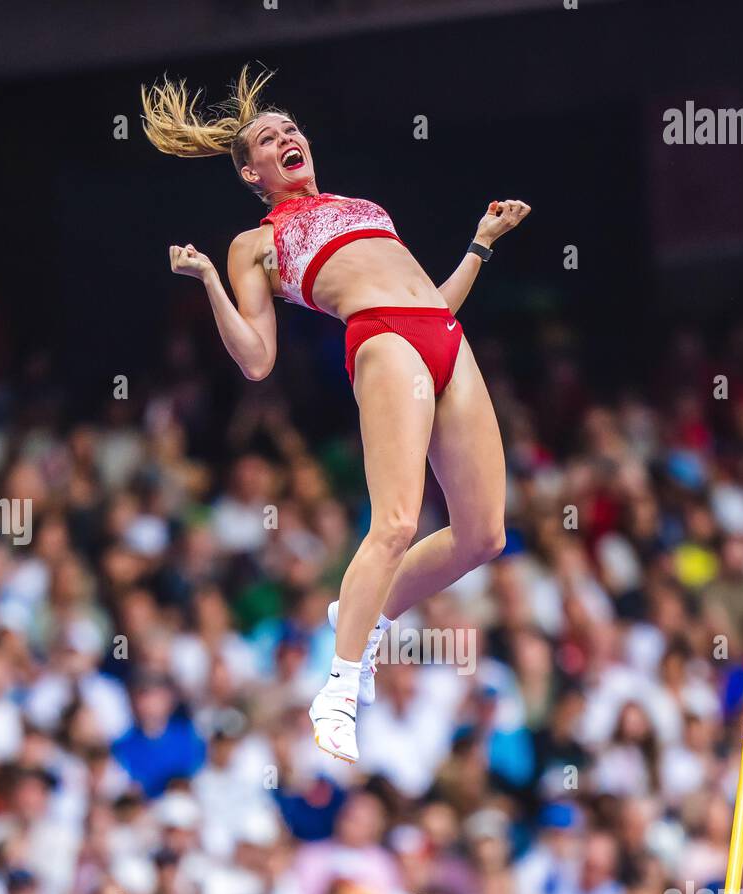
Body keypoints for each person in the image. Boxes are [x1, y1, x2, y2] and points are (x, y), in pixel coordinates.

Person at [142, 66, 529, 763]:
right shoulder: (253, 243)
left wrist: (479, 244)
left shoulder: (367, 205)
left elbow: (432, 302)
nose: (286, 137)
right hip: (381, 340)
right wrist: (207, 282)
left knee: (484, 536)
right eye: (268, 138)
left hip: (442, 335)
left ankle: (364, 613)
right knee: (398, 522)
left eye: (290, 128)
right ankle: (340, 688)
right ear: (252, 174)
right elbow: (257, 359)